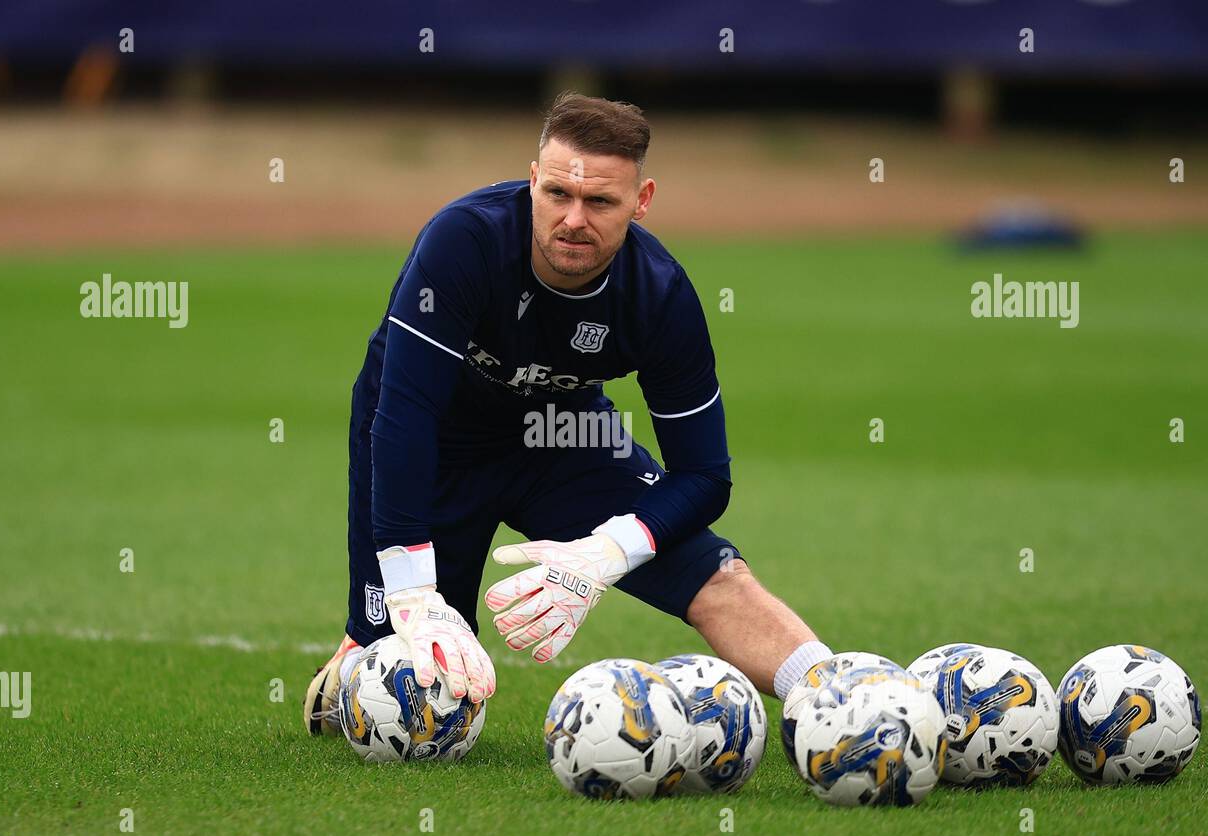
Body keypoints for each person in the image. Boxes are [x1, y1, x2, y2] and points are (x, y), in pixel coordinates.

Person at [305, 92, 830, 735]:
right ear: (533, 182)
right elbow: (403, 413)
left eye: (600, 202)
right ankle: (359, 649)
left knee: (716, 573)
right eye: (557, 193)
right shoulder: (465, 240)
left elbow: (705, 477)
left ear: (642, 202)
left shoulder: (659, 295)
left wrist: (604, 554)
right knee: (406, 702)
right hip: (435, 441)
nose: (573, 219)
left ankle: (840, 696)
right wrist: (412, 594)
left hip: (562, 437)